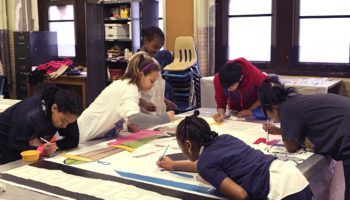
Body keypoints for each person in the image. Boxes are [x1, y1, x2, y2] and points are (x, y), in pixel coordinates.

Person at [157, 110, 312, 200]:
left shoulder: (206, 163)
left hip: (282, 193)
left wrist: (221, 187)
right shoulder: (225, 139)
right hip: (293, 177)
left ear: (188, 145)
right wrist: (173, 165)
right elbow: (207, 165)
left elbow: (241, 195)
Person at [258, 76, 350, 200]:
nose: (270, 118)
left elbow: (291, 147)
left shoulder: (286, 109)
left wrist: (285, 132)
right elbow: (304, 126)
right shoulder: (293, 101)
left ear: (273, 107)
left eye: (267, 113)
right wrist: (282, 131)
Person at [78, 53, 174, 143]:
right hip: (84, 136)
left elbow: (121, 112)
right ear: (141, 75)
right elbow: (134, 117)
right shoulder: (129, 88)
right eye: (151, 81)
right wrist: (163, 119)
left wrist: (127, 125)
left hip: (94, 137)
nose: (153, 86)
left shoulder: (127, 85)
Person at [0, 87, 82, 164]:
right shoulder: (29, 116)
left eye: (69, 123)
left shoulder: (68, 112)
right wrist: (41, 150)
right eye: (63, 121)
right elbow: (15, 146)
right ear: (54, 108)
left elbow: (73, 140)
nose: (65, 126)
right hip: (5, 139)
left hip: (24, 138)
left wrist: (52, 147)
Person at [213, 57, 267, 122]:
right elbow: (221, 100)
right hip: (236, 112)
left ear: (241, 78)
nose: (228, 90)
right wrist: (221, 113)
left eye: (231, 86)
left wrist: (251, 110)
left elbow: (266, 94)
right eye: (226, 87)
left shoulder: (255, 76)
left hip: (255, 112)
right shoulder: (218, 79)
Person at [138, 26, 177, 115]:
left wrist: (164, 100)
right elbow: (130, 93)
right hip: (146, 116)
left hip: (158, 114)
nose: (157, 51)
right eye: (155, 47)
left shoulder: (154, 61)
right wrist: (146, 104)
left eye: (160, 48)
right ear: (146, 40)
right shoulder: (137, 61)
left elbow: (156, 88)